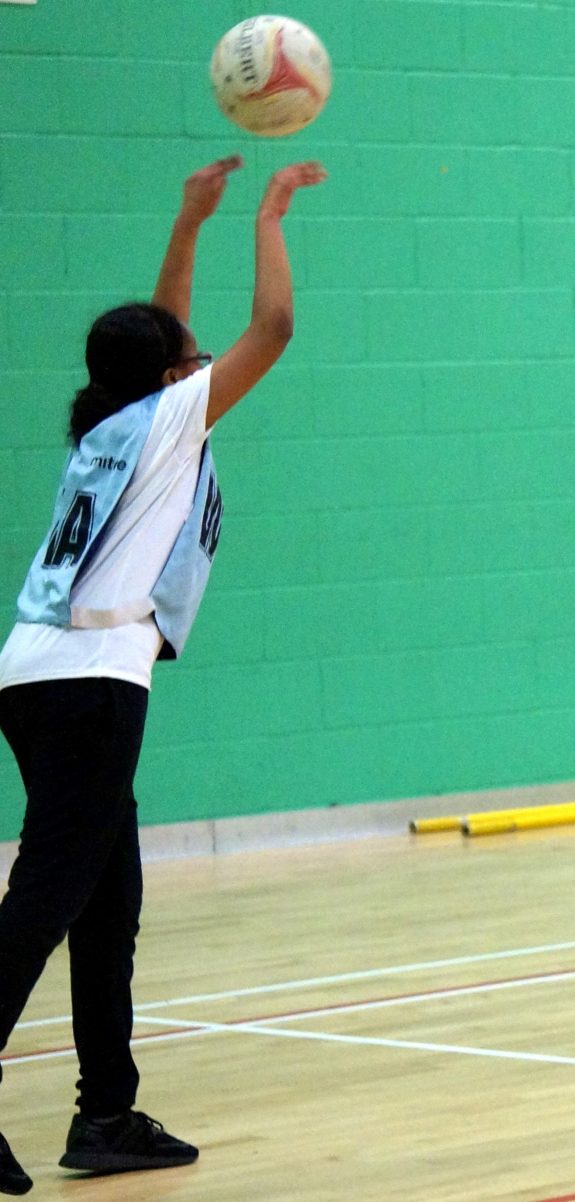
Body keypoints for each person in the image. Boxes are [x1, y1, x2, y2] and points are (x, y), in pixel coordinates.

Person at [0, 154, 325, 1196]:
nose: (197, 355)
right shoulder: (169, 416)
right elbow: (270, 329)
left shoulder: (115, 419)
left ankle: (105, 1112)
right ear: (178, 372)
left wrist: (188, 220)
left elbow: (165, 324)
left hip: (41, 666)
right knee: (48, 895)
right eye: (187, 352)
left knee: (105, 899)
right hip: (91, 675)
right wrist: (266, 219)